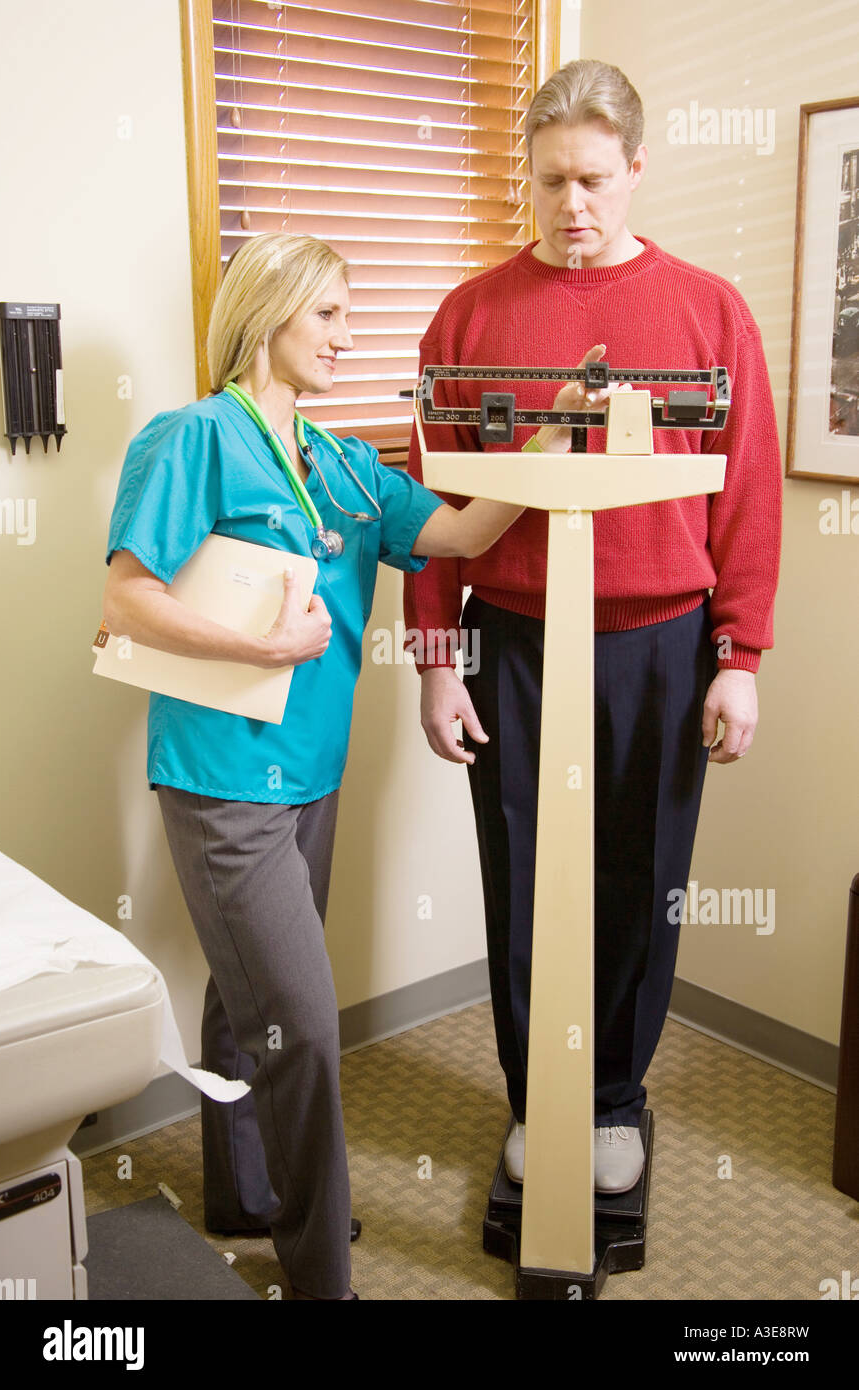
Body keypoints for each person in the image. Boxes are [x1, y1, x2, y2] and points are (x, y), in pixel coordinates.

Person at [100, 231, 607, 1300]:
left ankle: (246, 1192)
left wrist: (557, 430)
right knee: (307, 1027)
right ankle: (319, 1273)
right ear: (268, 312)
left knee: (251, 1008)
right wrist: (256, 648)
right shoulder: (192, 438)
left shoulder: (337, 463)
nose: (345, 332)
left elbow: (463, 534)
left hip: (310, 778)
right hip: (220, 777)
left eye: (347, 311)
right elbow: (126, 599)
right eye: (326, 312)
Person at [403, 59, 782, 1196]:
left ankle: (611, 1098)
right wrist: (434, 657)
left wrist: (738, 659)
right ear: (526, 176)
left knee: (637, 876)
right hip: (512, 637)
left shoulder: (709, 310)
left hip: (660, 642)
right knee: (519, 878)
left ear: (634, 172)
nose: (572, 206)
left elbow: (747, 498)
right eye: (550, 182)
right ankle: (537, 1102)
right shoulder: (468, 314)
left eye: (593, 181)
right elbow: (427, 508)